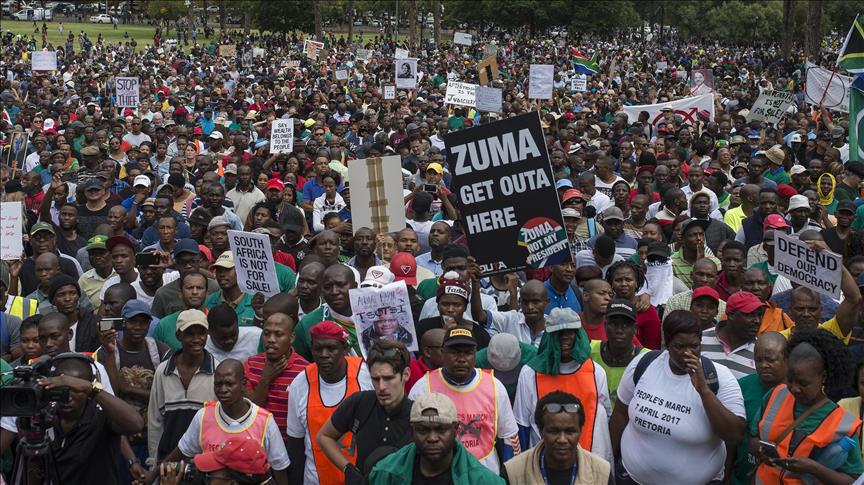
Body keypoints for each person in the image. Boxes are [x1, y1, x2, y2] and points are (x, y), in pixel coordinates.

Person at [610, 310, 746, 485]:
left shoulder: (720, 377)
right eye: (679, 347)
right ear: (666, 344)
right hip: (632, 479)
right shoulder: (643, 364)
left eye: (694, 346)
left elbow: (734, 435)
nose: (687, 353)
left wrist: (704, 391)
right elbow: (620, 414)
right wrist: (608, 462)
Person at [12, 353, 144, 485]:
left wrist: (91, 388)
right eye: (63, 390)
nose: (68, 397)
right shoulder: (45, 419)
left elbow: (136, 424)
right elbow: (36, 474)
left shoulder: (101, 418)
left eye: (76, 390)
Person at [752, 328, 863, 483]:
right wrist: (759, 450)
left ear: (823, 377)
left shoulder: (844, 424)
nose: (794, 388)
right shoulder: (776, 395)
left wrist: (814, 469)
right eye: (790, 379)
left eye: (803, 383)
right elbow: (753, 436)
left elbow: (853, 479)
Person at [408, 327, 520, 475]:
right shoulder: (423, 388)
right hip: (441, 475)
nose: (461, 359)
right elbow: (411, 439)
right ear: (443, 352)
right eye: (454, 353)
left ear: (475, 354)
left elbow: (509, 438)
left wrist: (510, 477)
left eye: (467, 353)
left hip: (484, 475)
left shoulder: (495, 386)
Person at [159, 359, 290, 485]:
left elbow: (280, 471)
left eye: (229, 384)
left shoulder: (264, 421)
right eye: (218, 384)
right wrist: (154, 474)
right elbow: (180, 453)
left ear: (243, 384)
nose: (223, 390)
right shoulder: (203, 416)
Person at [513, 307, 613, 464]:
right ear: (548, 336)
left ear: (578, 335)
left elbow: (605, 418)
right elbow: (522, 425)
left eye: (570, 332)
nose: (564, 337)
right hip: (543, 463)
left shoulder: (596, 372)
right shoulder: (530, 373)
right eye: (558, 333)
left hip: (587, 462)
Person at [286, 321, 372, 485]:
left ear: (345, 349)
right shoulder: (300, 383)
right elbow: (295, 443)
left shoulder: (366, 374)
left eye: (331, 348)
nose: (324, 354)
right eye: (318, 349)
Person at [317, 340, 414, 482]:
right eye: (376, 379)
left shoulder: (417, 415)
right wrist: (347, 469)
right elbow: (324, 436)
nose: (381, 386)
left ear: (406, 374)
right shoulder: (360, 403)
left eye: (388, 378)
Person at [367, 392, 505, 484]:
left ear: (456, 430)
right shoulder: (385, 474)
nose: (432, 438)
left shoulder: (482, 481)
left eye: (441, 429)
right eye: (423, 430)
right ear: (412, 430)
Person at [146, 309, 217, 468]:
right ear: (178, 336)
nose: (197, 339)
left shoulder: (217, 371)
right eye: (190, 334)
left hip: (203, 463)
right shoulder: (163, 371)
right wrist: (155, 463)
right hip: (168, 462)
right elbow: (155, 420)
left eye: (201, 333)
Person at [506, 391, 612, 484]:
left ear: (580, 431)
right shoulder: (513, 472)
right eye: (554, 431)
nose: (562, 440)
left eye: (570, 432)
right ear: (541, 431)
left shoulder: (602, 473)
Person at [730, 332, 788, 485]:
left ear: (787, 359)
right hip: (740, 477)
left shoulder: (797, 392)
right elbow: (731, 438)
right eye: (758, 360)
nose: (763, 365)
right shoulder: (742, 386)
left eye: (770, 360)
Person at [244, 312, 309, 442]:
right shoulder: (250, 364)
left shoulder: (305, 371)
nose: (271, 340)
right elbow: (249, 413)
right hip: (255, 443)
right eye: (266, 333)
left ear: (292, 337)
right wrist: (265, 378)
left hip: (290, 445)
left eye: (278, 334)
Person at [590, 300, 650, 405]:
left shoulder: (646, 360)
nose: (619, 330)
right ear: (605, 325)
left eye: (626, 325)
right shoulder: (590, 351)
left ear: (635, 329)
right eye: (614, 324)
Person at [406, 327, 445, 393]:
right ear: (427, 352)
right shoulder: (410, 370)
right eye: (443, 349)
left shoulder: (453, 372)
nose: (449, 353)